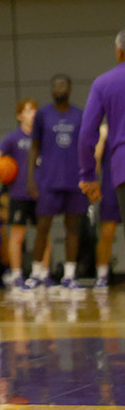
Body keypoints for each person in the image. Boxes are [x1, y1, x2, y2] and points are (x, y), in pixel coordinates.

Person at [30, 74, 88, 294]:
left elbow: (87, 148)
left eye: (62, 85)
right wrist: (30, 178)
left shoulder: (80, 115)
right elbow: (34, 147)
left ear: (70, 89)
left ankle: (69, 276)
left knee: (72, 229)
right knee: (42, 227)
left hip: (74, 180)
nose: (58, 89)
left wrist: (89, 176)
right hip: (48, 180)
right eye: (54, 86)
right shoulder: (43, 114)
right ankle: (36, 274)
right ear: (51, 90)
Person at [80, 31, 125, 293]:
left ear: (118, 52)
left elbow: (88, 134)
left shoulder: (104, 82)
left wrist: (87, 175)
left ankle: (101, 276)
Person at [0, 99, 39, 291]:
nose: (32, 113)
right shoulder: (13, 138)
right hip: (19, 193)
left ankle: (43, 275)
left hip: (41, 193)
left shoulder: (43, 136)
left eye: (34, 110)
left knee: (43, 235)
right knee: (17, 235)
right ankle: (16, 275)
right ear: (19, 115)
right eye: (28, 110)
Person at [93, 125, 118, 292]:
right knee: (107, 231)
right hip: (112, 185)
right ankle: (101, 275)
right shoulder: (106, 129)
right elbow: (96, 158)